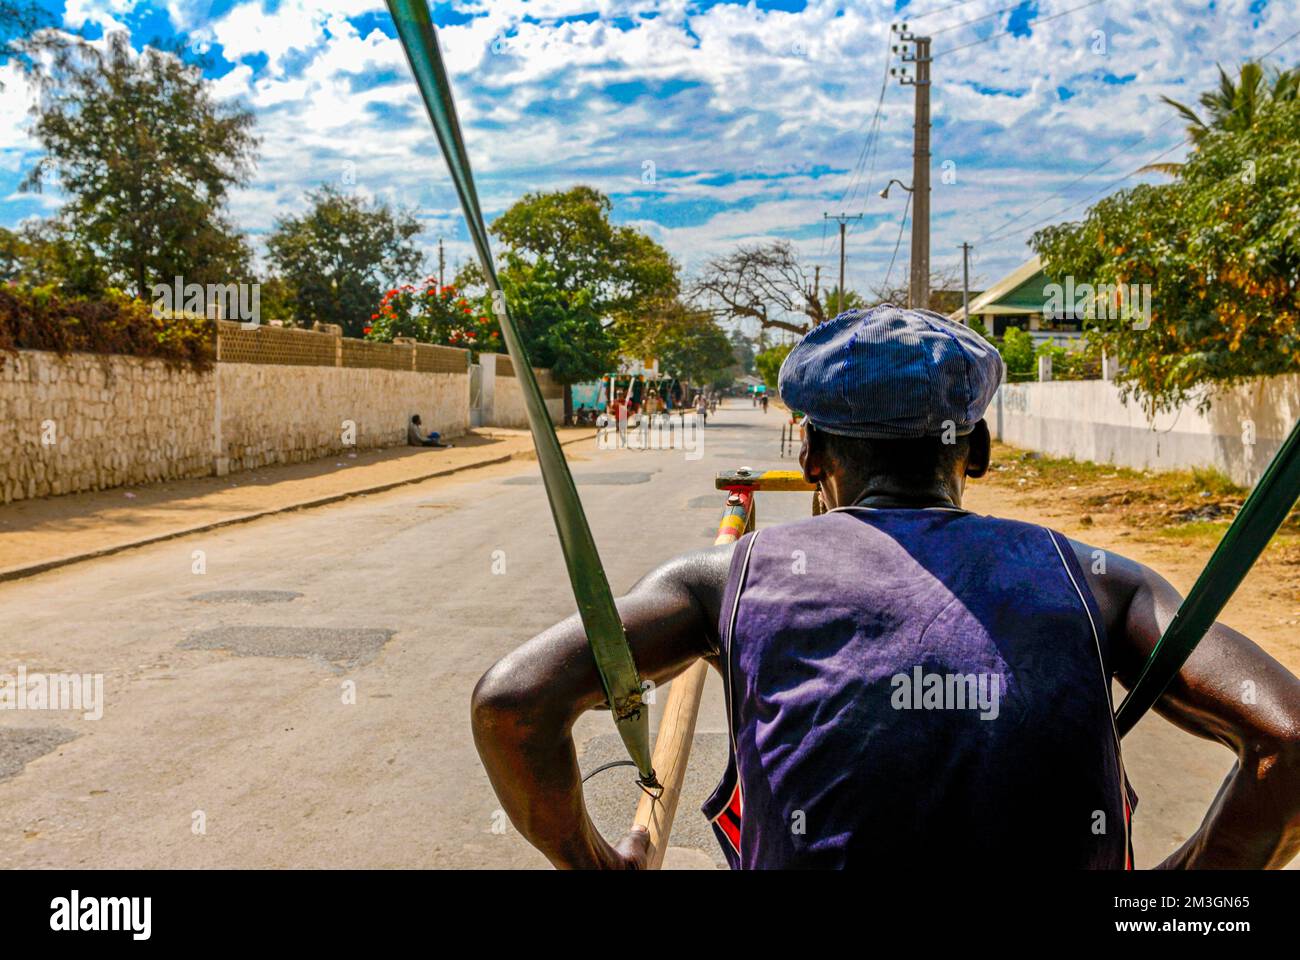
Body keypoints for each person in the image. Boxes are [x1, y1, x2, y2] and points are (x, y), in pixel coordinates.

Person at [470, 306, 1300, 870]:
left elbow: (512, 703)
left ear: (809, 457)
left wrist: (598, 865)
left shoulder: (725, 583)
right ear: (973, 452)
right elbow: (1290, 737)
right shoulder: (1096, 580)